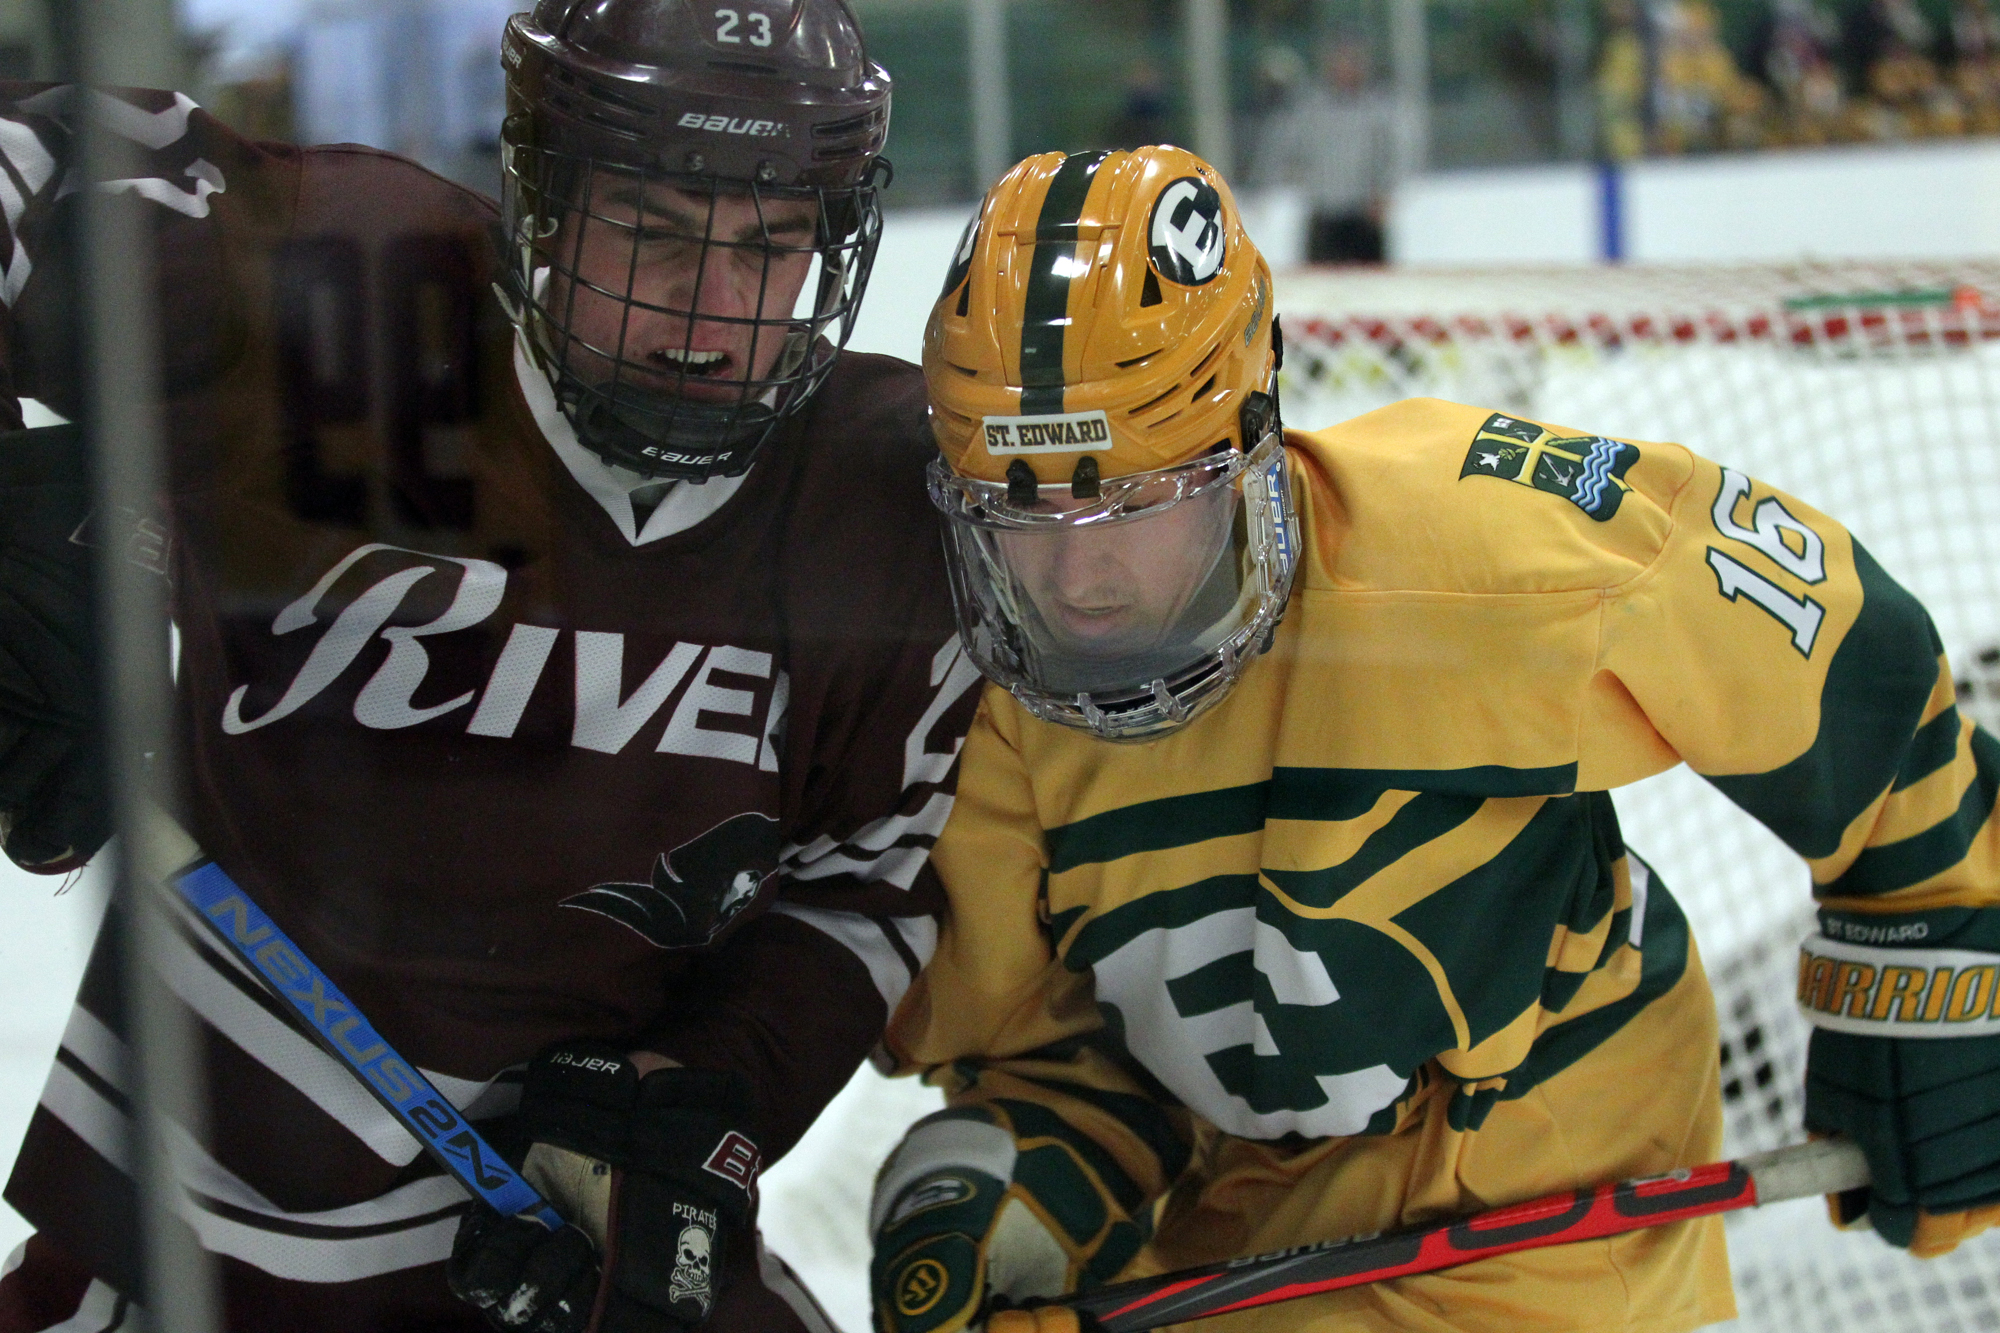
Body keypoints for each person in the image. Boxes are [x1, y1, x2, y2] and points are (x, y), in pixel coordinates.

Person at [865, 145, 2000, 1333]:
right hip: (1239, 1258)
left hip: (1550, 1230)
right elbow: (1056, 1070)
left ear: (1250, 435)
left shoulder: (1471, 547)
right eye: (1020, 517)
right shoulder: (969, 720)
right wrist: (991, 1201)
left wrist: (1935, 940)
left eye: (1136, 505)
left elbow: (1833, 649)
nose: (1078, 580)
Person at [0, 1, 982, 1329]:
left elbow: (865, 879)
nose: (714, 314)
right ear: (539, 197)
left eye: (773, 246)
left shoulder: (878, 505)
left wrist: (694, 1104)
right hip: (187, 1234)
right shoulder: (331, 285)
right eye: (653, 232)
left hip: (550, 1258)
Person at [1246, 38, 1401, 265]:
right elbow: (1281, 149)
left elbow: (1395, 154)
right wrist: (1262, 189)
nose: (1345, 69)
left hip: (1364, 215)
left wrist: (1386, 191)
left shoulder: (1378, 110)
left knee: (1374, 286)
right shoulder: (1309, 110)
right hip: (1324, 215)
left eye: (1352, 62)